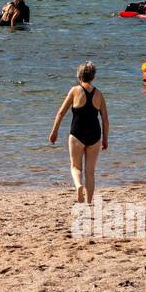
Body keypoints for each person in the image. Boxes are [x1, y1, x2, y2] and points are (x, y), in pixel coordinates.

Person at [49, 61, 109, 203]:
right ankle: (88, 203)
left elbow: (61, 112)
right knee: (90, 172)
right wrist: (105, 139)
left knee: (75, 166)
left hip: (77, 133)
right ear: (93, 76)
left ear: (79, 75)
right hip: (95, 134)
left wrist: (54, 131)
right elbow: (105, 119)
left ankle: (78, 186)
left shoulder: (75, 90)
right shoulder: (99, 94)